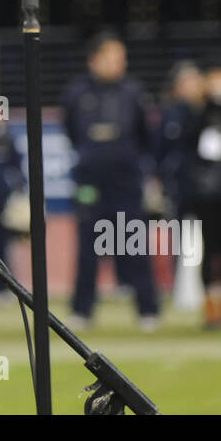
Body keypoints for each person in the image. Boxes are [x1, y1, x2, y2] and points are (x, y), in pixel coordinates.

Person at [62, 32, 160, 329]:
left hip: (126, 183)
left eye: (120, 57)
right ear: (93, 60)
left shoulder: (134, 92)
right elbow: (71, 132)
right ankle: (82, 310)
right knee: (88, 248)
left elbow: (146, 137)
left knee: (134, 245)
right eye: (109, 57)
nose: (116, 63)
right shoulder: (77, 93)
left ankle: (147, 310)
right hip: (90, 183)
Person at [161, 63, 221, 327]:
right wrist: (207, 105)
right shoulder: (196, 111)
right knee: (209, 247)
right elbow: (187, 136)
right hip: (204, 191)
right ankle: (211, 305)